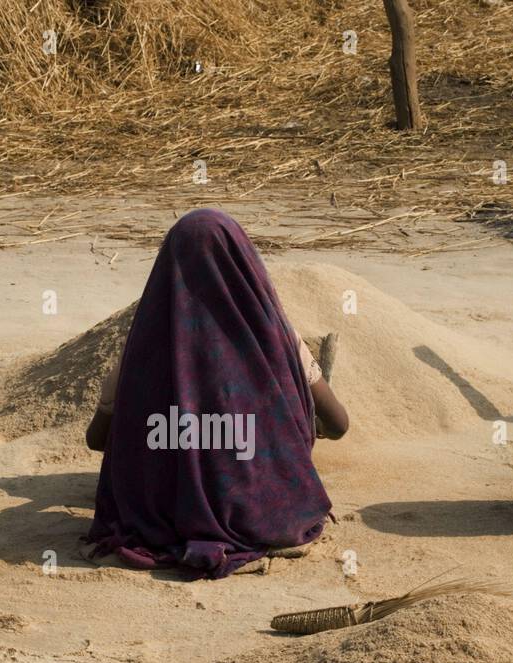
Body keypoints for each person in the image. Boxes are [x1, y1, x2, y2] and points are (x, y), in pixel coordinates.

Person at [82, 208, 348, 579]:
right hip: (262, 508)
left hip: (163, 513)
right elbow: (339, 424)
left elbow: (96, 441)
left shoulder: (142, 347)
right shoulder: (276, 339)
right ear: (244, 262)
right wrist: (282, 429)